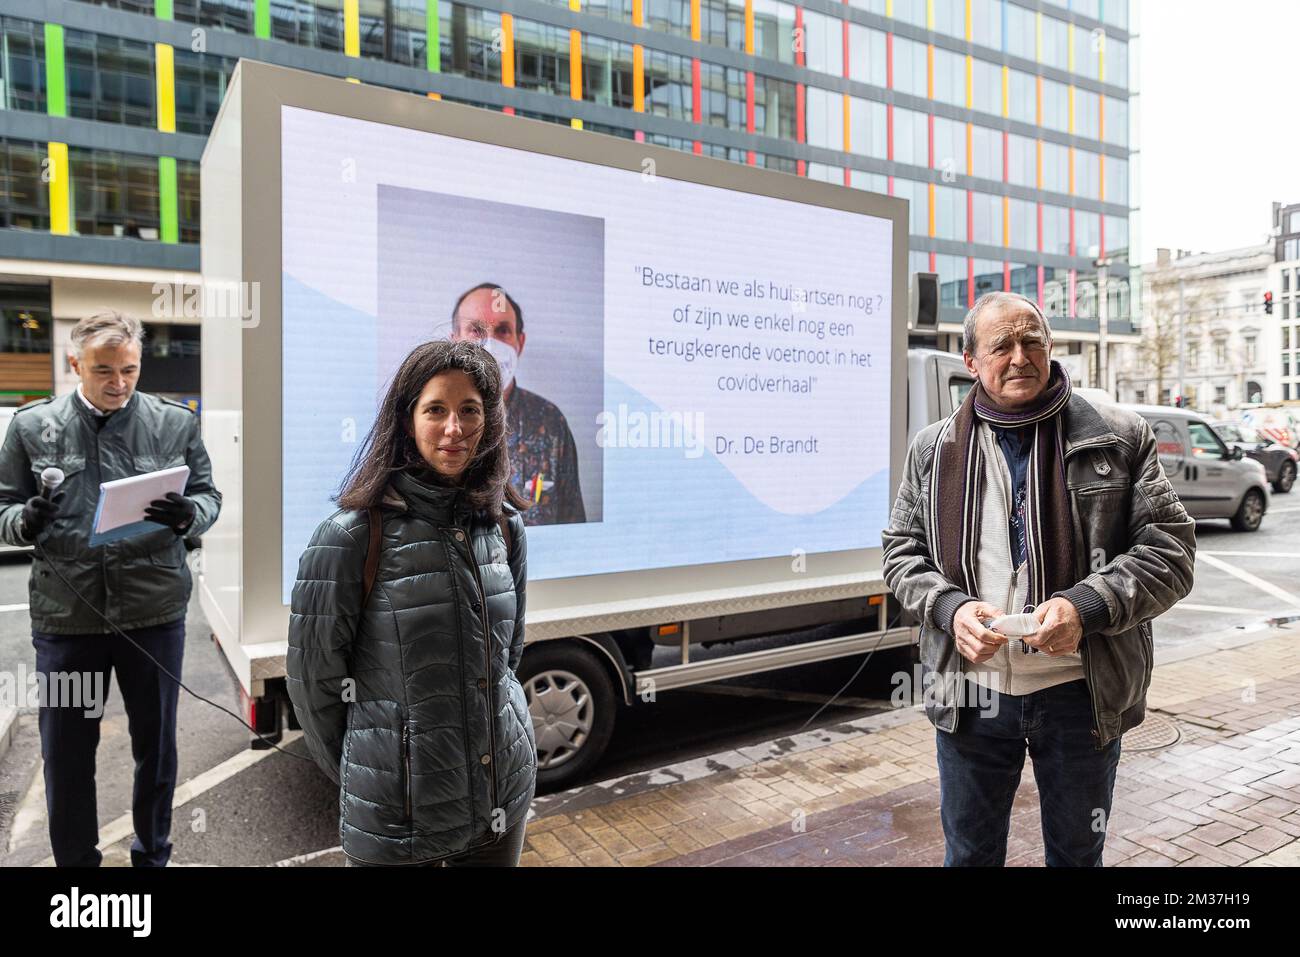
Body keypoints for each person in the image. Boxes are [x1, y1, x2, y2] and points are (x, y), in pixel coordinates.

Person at [881, 291, 1196, 867]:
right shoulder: (934, 448)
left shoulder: (1119, 437)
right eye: (1001, 345)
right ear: (971, 361)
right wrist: (949, 609)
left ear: (1050, 349)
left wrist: (1087, 606)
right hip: (969, 691)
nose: (1020, 356)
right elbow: (901, 553)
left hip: (1081, 691)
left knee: (1077, 855)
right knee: (970, 855)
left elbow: (1170, 551)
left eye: (1033, 341)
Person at [286, 339, 537, 866]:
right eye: (436, 410)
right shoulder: (351, 536)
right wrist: (384, 771)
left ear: (489, 422)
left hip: (501, 794)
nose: (454, 428)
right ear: (407, 421)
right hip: (396, 817)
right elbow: (316, 687)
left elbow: (506, 657)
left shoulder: (505, 527)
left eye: (470, 410)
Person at [0, 309, 222, 867]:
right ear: (74, 363)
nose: (119, 383)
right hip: (66, 618)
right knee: (67, 756)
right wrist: (21, 521)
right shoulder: (30, 427)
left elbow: (209, 496)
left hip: (154, 612)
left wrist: (187, 515)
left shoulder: (175, 423)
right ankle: (77, 872)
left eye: (129, 369)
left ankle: (153, 860)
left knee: (157, 750)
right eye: (103, 370)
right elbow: (2, 507)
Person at [448, 282, 586, 526]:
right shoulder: (434, 422)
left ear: (519, 343)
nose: (490, 345)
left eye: (503, 330)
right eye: (476, 330)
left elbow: (573, 520)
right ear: (454, 341)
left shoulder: (550, 422)